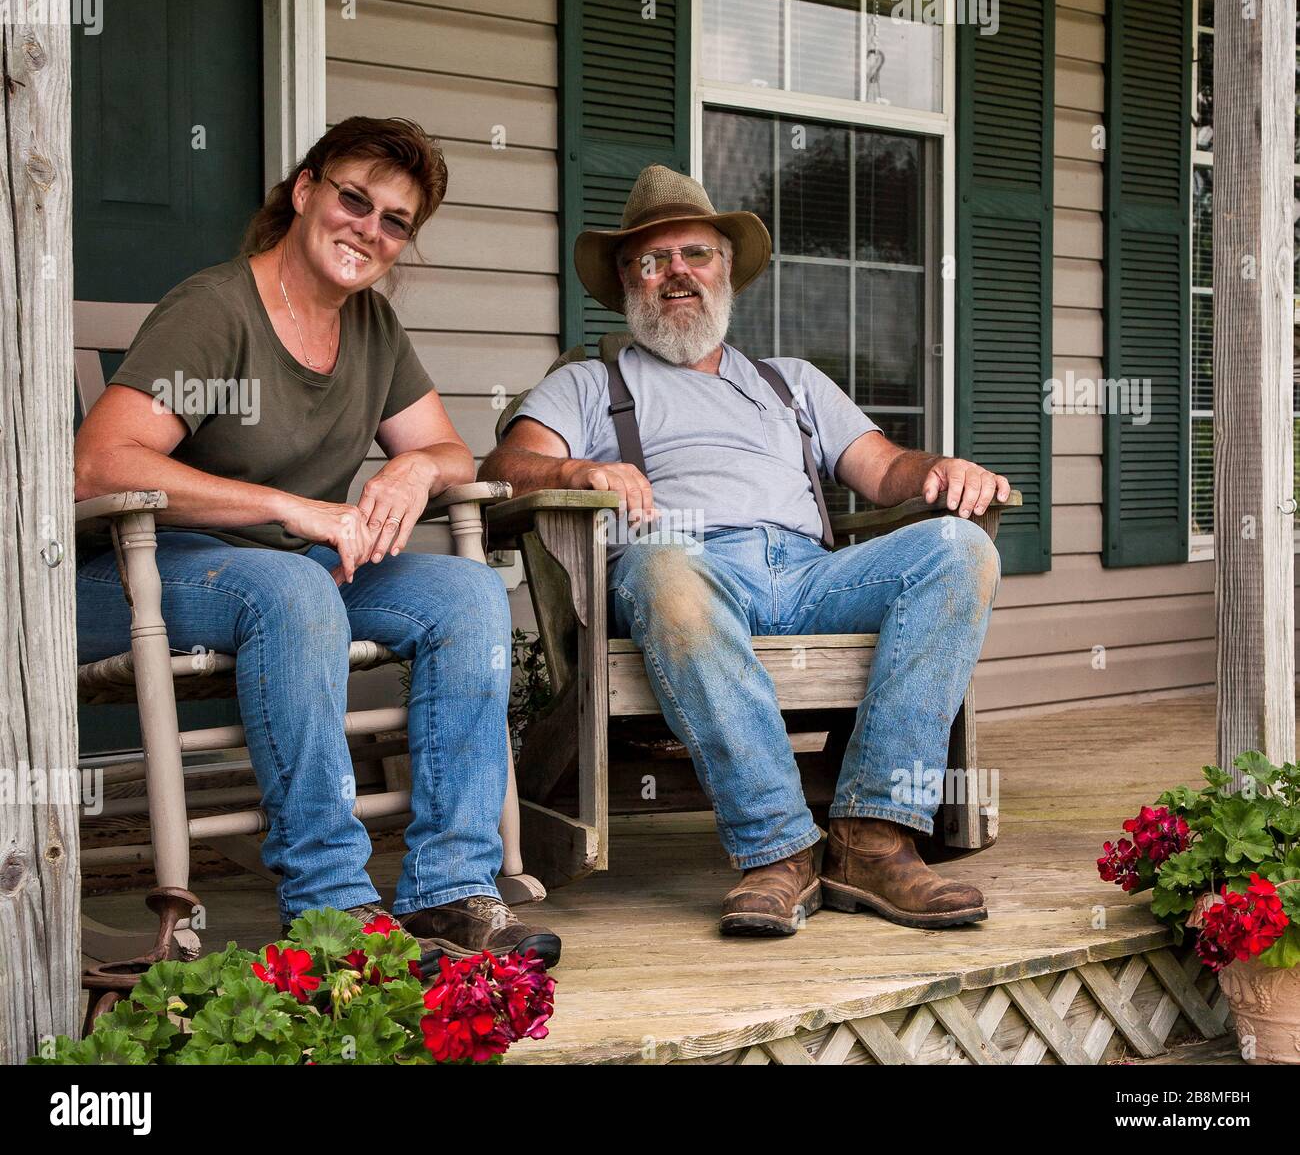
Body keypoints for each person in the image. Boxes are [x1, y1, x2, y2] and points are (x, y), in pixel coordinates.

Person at [75, 116, 559, 966]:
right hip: (142, 575)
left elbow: (447, 449)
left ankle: (450, 889)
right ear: (306, 192)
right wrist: (289, 508)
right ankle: (332, 910)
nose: (368, 229)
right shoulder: (216, 308)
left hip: (295, 572)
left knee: (470, 593)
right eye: (353, 200)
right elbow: (100, 464)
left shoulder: (371, 327)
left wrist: (414, 473)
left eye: (395, 221)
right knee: (293, 586)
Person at [481, 164, 1009, 938]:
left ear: (725, 269)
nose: (676, 275)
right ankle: (777, 849)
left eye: (694, 254)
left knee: (958, 547)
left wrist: (940, 469)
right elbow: (502, 468)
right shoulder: (590, 384)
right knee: (663, 561)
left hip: (809, 576)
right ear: (627, 281)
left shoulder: (790, 382)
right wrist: (575, 468)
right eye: (652, 262)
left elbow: (884, 468)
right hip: (685, 569)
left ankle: (873, 837)